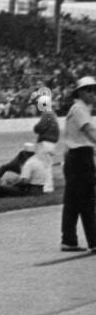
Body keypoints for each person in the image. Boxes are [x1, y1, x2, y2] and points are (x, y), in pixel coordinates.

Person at [60, 75, 96, 252]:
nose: (93, 93)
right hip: (81, 157)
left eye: (94, 90)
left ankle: (69, 239)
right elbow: (88, 131)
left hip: (74, 157)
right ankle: (94, 240)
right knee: (88, 200)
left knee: (72, 201)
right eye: (89, 90)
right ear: (80, 92)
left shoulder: (77, 108)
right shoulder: (80, 109)